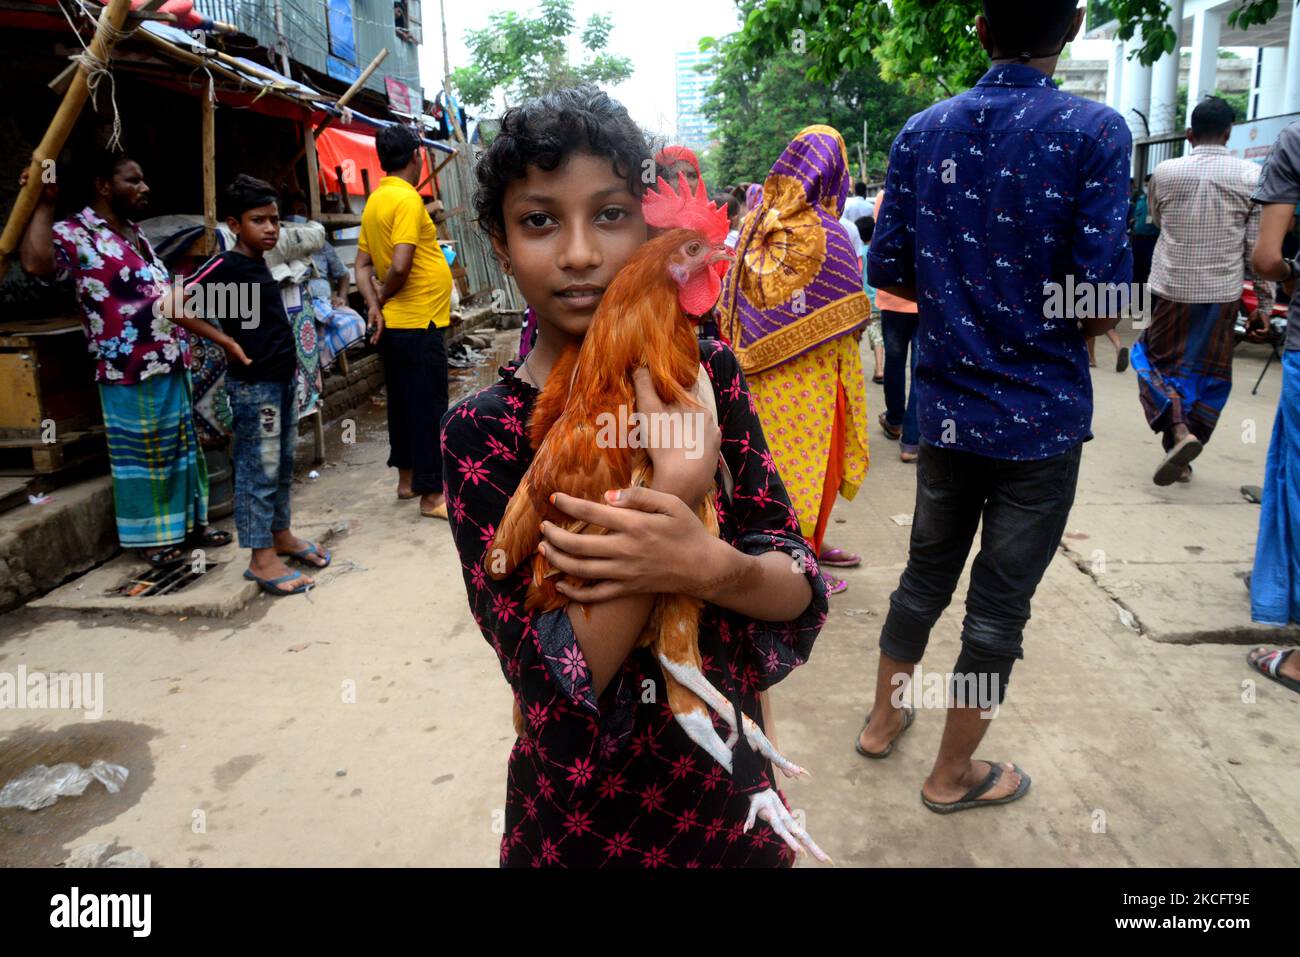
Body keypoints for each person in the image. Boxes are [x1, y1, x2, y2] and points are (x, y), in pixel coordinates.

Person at [442, 85, 827, 867]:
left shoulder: (707, 371)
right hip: (582, 825)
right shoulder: (482, 431)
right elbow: (553, 687)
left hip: (727, 810)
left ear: (648, 228)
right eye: (540, 219)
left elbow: (797, 581)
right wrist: (679, 487)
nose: (580, 252)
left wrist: (709, 564)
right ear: (499, 238)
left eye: (610, 214)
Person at [865, 0, 1131, 812]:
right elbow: (1101, 296)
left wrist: (963, 305)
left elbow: (892, 271)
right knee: (998, 608)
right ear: (1075, 23)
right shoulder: (1096, 133)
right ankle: (952, 776)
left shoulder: (923, 132)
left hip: (946, 411)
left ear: (980, 26)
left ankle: (882, 722)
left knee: (924, 574)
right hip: (1041, 419)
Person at [17, 152, 226, 566]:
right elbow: (37, 263)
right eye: (134, 180)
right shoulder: (77, 232)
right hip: (127, 366)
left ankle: (190, 524)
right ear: (104, 186)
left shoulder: (134, 234)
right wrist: (42, 202)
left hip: (169, 358)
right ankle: (152, 538)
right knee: (144, 455)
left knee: (182, 448)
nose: (144, 188)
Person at [718, 126, 873, 596]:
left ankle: (808, 544)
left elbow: (733, 302)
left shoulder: (753, 226)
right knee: (811, 467)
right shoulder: (824, 231)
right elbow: (854, 311)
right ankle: (798, 558)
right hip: (816, 380)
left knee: (772, 466)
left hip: (758, 376)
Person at [175, 175, 330, 596]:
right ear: (233, 224)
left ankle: (280, 536)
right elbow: (173, 305)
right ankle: (260, 559)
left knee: (280, 467)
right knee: (256, 471)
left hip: (281, 381)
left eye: (274, 220)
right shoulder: (225, 264)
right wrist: (224, 340)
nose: (270, 229)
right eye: (258, 220)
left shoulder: (255, 264)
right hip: (254, 388)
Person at [1131, 96, 1273, 486]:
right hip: (1222, 293)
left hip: (1171, 289)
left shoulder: (1165, 172)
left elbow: (1157, 218)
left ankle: (1178, 433)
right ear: (1229, 133)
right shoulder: (1251, 175)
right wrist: (1262, 303)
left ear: (1189, 134)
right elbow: (1255, 247)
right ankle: (1184, 439)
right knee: (1206, 374)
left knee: (1151, 362)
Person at [355, 124, 454, 518]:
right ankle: (432, 495)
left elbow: (361, 265)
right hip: (420, 319)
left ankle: (407, 480)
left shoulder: (375, 201)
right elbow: (400, 264)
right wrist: (382, 297)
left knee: (402, 402)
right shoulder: (408, 200)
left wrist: (375, 306)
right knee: (429, 405)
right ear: (417, 155)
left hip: (396, 322)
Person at [1245, 118, 1300, 693]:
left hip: (1176, 289)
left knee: (1296, 479)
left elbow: (1266, 257)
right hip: (1218, 298)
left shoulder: (1295, 141)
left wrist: (1290, 275)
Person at [285, 193, 366, 368]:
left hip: (324, 304)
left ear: (307, 217)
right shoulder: (281, 244)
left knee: (354, 321)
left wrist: (341, 297)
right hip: (296, 304)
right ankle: (314, 368)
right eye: (291, 211)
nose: (296, 215)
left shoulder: (321, 245)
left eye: (301, 211)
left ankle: (323, 362)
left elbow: (343, 275)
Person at [874, 188, 921, 463]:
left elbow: (884, 241)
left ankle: (895, 420)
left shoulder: (887, 196)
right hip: (927, 294)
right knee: (919, 366)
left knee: (894, 360)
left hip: (894, 295)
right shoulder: (936, 185)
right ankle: (911, 442)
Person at [856, 215, 886, 385]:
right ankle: (881, 368)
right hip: (884, 300)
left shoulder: (861, 254)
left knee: (876, 337)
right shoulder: (878, 251)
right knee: (883, 336)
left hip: (870, 303)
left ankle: (879, 369)